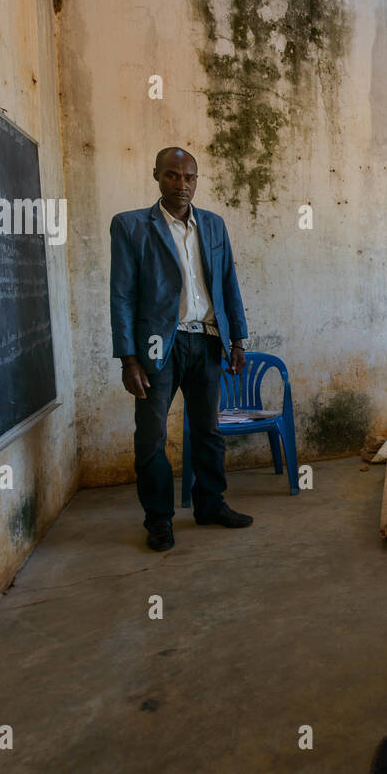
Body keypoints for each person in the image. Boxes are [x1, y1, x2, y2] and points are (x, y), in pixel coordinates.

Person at [109, 147, 253, 552]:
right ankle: (158, 519)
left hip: (206, 341)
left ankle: (210, 504)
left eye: (189, 177)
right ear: (156, 175)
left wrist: (236, 340)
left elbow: (227, 284)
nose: (182, 184)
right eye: (172, 176)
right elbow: (121, 295)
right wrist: (128, 358)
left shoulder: (213, 225)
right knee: (152, 436)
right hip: (157, 346)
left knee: (208, 430)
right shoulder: (132, 226)